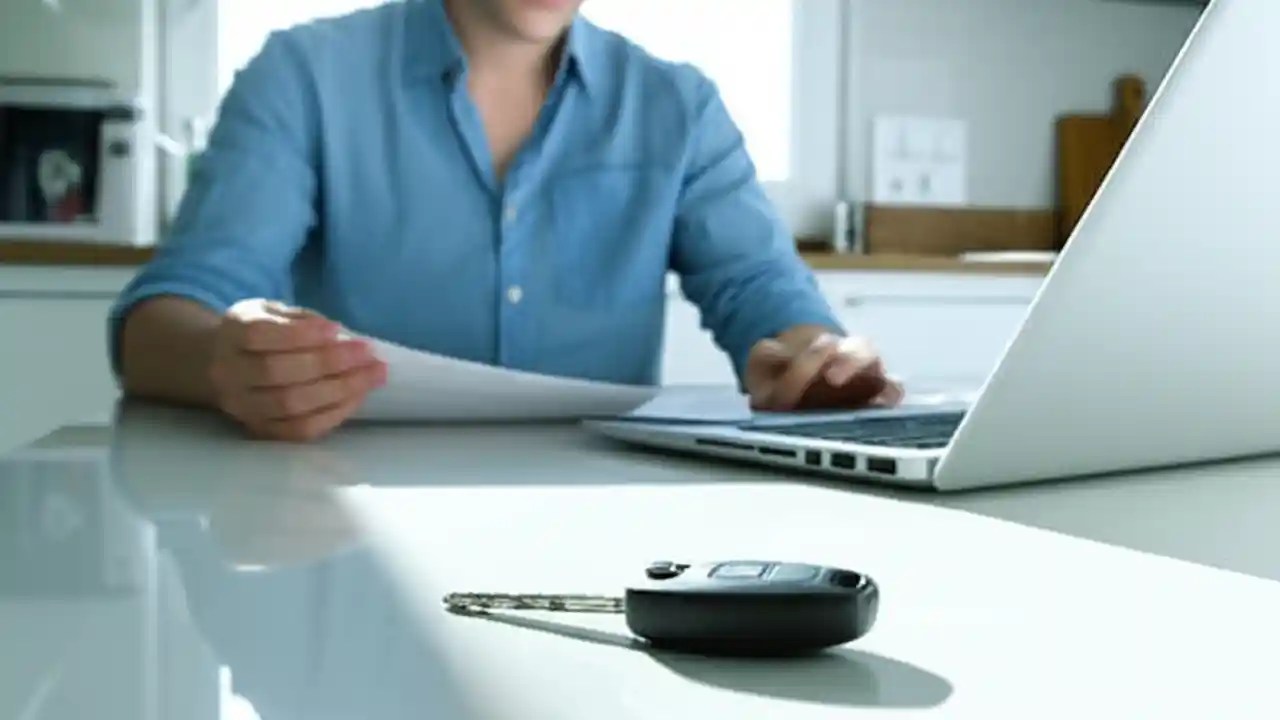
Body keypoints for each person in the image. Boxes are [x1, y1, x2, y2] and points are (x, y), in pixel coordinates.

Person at [110, 0, 903, 441]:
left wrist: (817, 366)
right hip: (339, 514)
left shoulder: (677, 106)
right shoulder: (305, 75)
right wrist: (227, 362)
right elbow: (161, 322)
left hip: (600, 526)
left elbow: (765, 295)